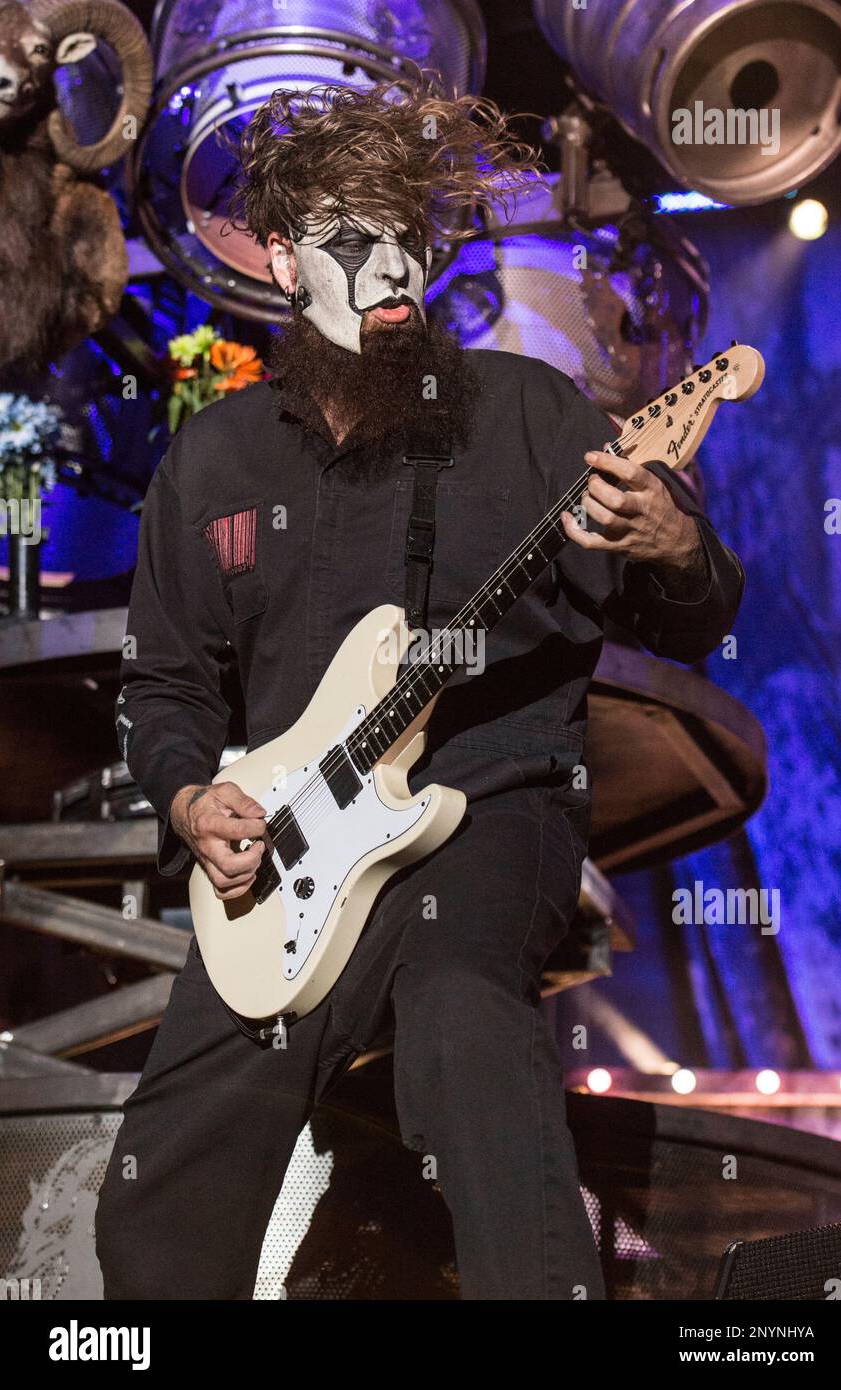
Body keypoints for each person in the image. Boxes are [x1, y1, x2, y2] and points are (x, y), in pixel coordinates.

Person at [95, 80, 744, 1300]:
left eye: (407, 238)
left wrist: (670, 543)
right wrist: (189, 800)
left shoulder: (528, 414)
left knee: (458, 1019)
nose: (388, 265)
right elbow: (165, 684)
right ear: (286, 265)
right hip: (293, 854)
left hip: (489, 803)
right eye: (350, 240)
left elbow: (692, 621)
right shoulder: (213, 462)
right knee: (160, 1185)